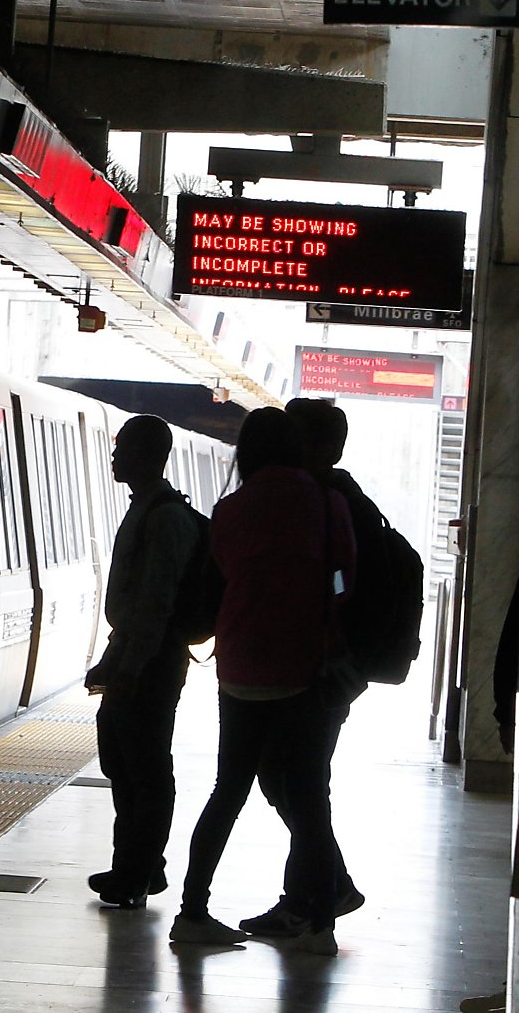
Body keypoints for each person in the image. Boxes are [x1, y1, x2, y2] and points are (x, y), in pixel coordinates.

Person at [170, 406, 355, 955]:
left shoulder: (230, 509)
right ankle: (320, 923)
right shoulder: (325, 503)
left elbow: (224, 572)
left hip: (241, 668)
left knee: (228, 790)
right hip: (303, 671)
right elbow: (344, 575)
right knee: (308, 800)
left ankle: (193, 911)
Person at [243, 398, 373, 935]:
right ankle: (316, 892)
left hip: (320, 671)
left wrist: (324, 609)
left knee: (296, 784)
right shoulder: (334, 498)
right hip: (320, 665)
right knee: (297, 782)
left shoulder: (331, 501)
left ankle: (318, 897)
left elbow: (345, 580)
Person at [83, 415, 206, 908]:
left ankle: (136, 871)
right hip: (136, 655)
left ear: (149, 455)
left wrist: (129, 669)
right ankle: (136, 865)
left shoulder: (164, 517)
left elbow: (154, 604)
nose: (115, 457)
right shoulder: (147, 509)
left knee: (146, 767)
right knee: (122, 757)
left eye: (124, 448)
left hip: (153, 662)